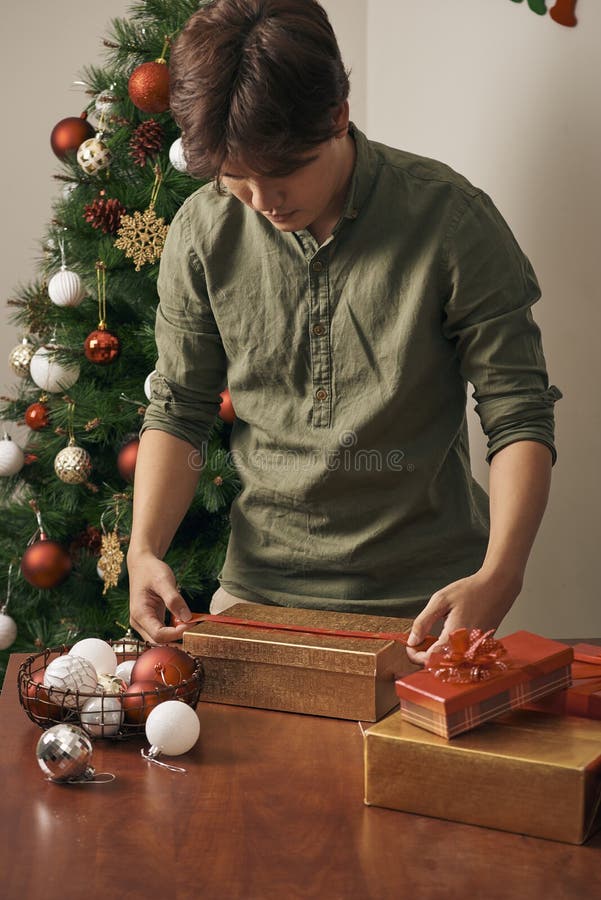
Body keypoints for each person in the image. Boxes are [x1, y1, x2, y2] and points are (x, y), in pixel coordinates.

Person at [127, 0, 561, 665]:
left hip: (430, 607)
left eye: (282, 173)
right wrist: (142, 550)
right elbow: (179, 407)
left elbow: (518, 410)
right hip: (256, 598)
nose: (264, 203)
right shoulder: (202, 231)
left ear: (337, 115)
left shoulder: (451, 219)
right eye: (236, 179)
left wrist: (501, 573)